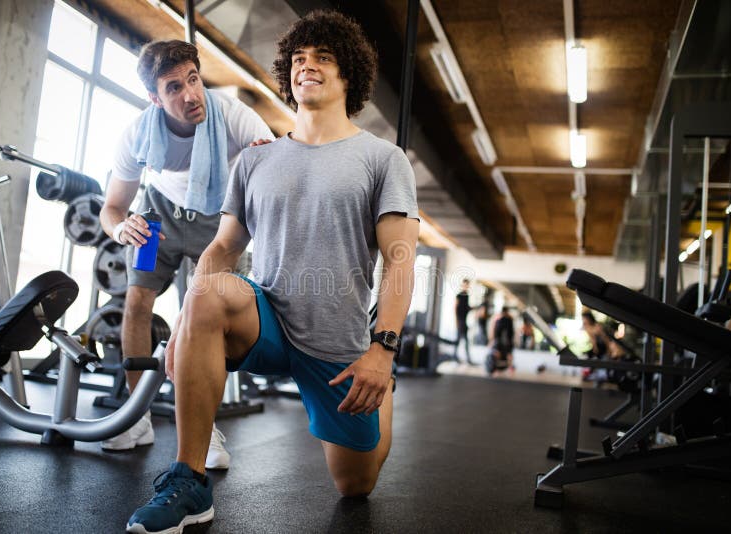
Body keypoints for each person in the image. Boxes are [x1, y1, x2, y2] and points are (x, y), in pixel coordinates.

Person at [125, 11, 419, 533]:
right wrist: (188, 321)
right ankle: (189, 482)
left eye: (323, 57)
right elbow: (223, 247)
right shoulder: (256, 161)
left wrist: (382, 350)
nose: (308, 66)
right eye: (299, 59)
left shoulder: (382, 158)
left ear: (349, 73)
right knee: (206, 293)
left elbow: (400, 261)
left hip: (339, 345)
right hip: (268, 320)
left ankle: (383, 395)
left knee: (356, 485)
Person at [99, 39, 273, 467]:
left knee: (202, 317)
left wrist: (265, 161)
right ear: (155, 98)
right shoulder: (137, 134)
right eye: (174, 88)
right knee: (136, 303)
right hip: (158, 214)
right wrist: (121, 228)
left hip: (219, 218)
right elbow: (112, 208)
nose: (191, 94)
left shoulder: (230, 114)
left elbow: (275, 167)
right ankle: (136, 417)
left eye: (193, 79)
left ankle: (203, 429)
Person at [453, 278, 473, 363]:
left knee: (464, 340)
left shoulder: (467, 295)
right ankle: (456, 357)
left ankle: (465, 358)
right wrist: (456, 321)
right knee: (460, 340)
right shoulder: (459, 295)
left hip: (464, 321)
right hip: (460, 320)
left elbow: (466, 308)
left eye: (467, 285)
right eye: (465, 285)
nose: (466, 286)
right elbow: (455, 308)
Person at [489, 306, 515, 371]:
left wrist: (494, 341)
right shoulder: (509, 320)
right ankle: (509, 367)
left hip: (500, 342)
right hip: (506, 342)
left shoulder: (500, 320)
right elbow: (511, 333)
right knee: (508, 355)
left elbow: (496, 332)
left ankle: (497, 367)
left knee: (503, 354)